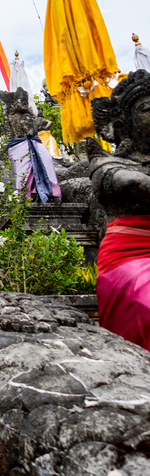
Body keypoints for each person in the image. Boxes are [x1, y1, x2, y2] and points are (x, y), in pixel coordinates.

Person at [89, 70, 150, 351]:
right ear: (124, 124)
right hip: (132, 259)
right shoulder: (110, 166)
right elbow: (131, 183)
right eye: (147, 108)